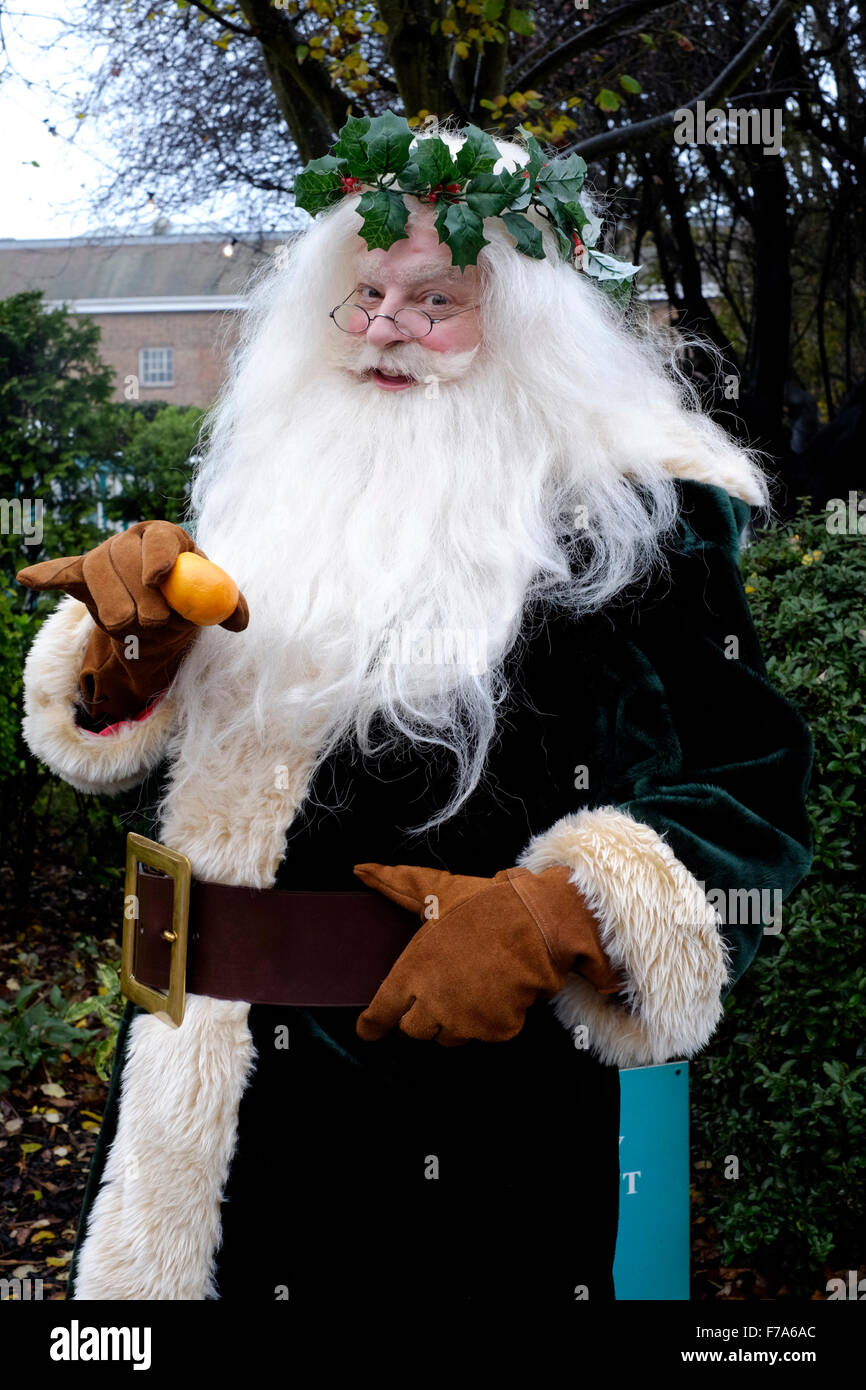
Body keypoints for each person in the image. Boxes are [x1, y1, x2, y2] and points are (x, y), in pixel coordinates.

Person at [17, 116, 813, 1307]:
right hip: (200, 1088)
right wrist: (123, 666)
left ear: (528, 332)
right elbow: (123, 747)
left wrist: (556, 915)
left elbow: (751, 786)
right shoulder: (282, 479)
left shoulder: (636, 519)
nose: (385, 328)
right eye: (363, 296)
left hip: (460, 1115)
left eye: (433, 300)